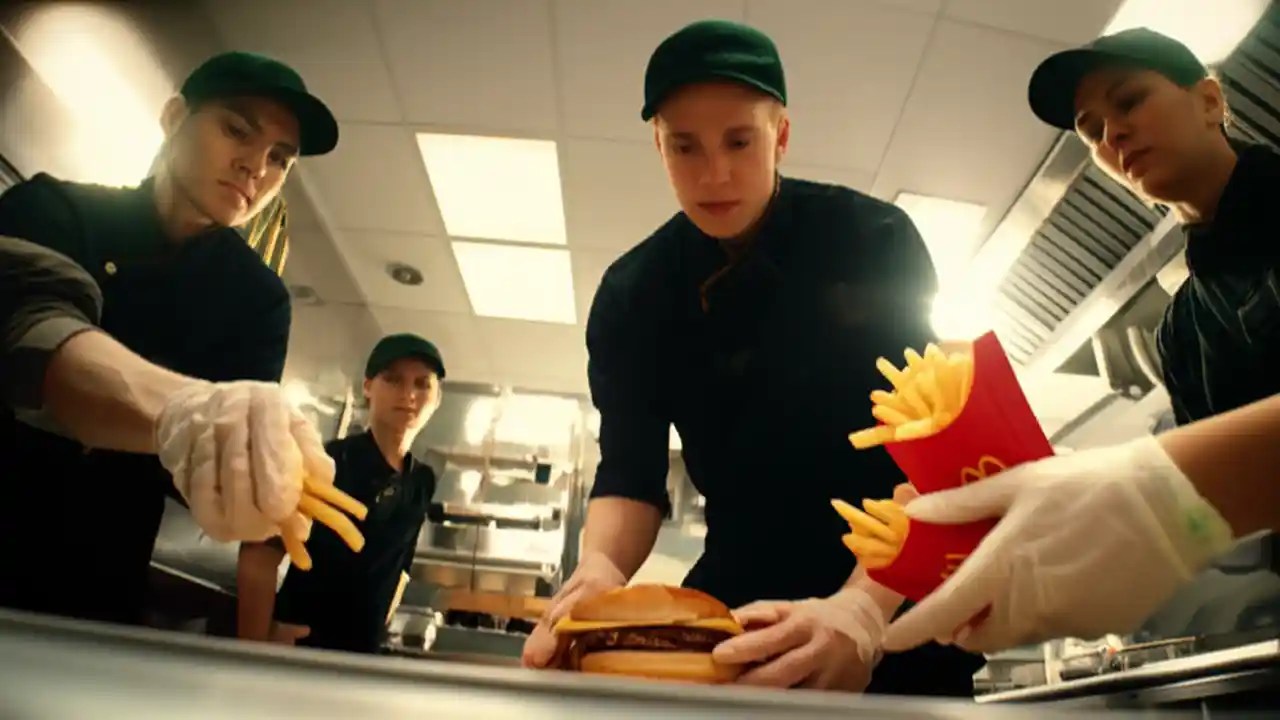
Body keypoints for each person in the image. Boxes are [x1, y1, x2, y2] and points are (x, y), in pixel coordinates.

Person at [522, 20, 983, 696]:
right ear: (658, 144)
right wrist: (598, 571)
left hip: (897, 597)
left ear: (782, 135)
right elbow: (630, 475)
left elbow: (941, 444)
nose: (715, 174)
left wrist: (862, 612)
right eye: (685, 147)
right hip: (739, 612)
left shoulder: (871, 240)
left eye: (740, 141)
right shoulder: (633, 293)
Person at [882, 26, 1280, 654]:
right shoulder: (1183, 331)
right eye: (1090, 130)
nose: (1110, 135)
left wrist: (1149, 490)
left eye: (1128, 102)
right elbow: (1232, 523)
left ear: (1210, 102)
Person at [0, 51, 342, 626]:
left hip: (99, 587)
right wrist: (191, 411)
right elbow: (31, 339)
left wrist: (259, 489)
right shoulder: (53, 210)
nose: (256, 166)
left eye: (279, 159)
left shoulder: (256, 299)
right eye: (237, 130)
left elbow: (214, 479)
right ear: (174, 116)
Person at [237, 334, 445, 654]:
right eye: (392, 379)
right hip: (299, 644)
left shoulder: (422, 480)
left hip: (362, 653)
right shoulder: (327, 462)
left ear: (437, 397)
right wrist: (253, 647)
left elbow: (400, 567)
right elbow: (260, 554)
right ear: (367, 387)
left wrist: (377, 628)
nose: (408, 394)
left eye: (422, 384)